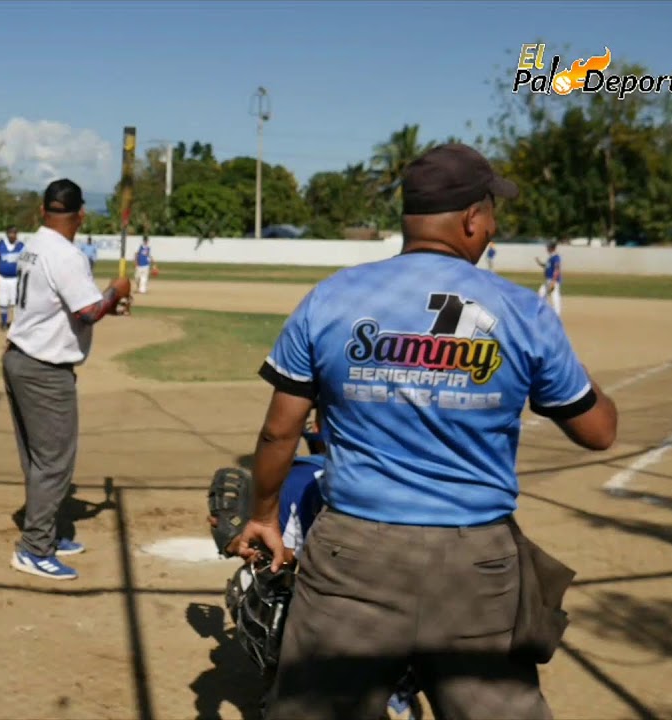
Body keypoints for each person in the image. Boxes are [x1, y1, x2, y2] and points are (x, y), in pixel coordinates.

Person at [234, 143, 618, 720]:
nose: (493, 226)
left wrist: (265, 513)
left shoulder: (331, 297)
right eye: (492, 213)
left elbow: (278, 433)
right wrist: (554, 356)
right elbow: (599, 431)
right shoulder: (522, 312)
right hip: (477, 565)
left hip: (352, 554)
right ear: (470, 218)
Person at [208, 415, 423, 720]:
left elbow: (283, 558)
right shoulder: (423, 476)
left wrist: (241, 543)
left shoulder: (296, 480)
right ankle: (396, 694)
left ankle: (291, 691)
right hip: (425, 620)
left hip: (347, 627)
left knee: (255, 586)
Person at [5, 178, 131, 581]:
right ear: (80, 215)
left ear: (43, 211)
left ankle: (46, 531)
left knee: (38, 460)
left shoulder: (34, 244)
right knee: (54, 462)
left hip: (19, 357)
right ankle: (35, 549)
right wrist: (116, 292)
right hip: (44, 369)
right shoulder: (65, 255)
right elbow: (88, 312)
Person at [0, 225, 25, 331]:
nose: (12, 235)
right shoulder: (1, 245)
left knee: (15, 302)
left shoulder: (21, 246)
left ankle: (17, 325)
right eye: (10, 232)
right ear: (7, 233)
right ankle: (4, 323)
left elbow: (26, 262)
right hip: (2, 278)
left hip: (15, 278)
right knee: (3, 301)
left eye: (14, 233)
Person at [536, 240, 563, 314]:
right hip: (548, 280)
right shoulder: (551, 257)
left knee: (554, 296)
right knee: (541, 292)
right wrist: (539, 263)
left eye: (548, 246)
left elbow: (557, 269)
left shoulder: (556, 257)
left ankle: (557, 313)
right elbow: (547, 266)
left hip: (553, 280)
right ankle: (542, 310)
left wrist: (553, 281)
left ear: (551, 248)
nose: (546, 248)